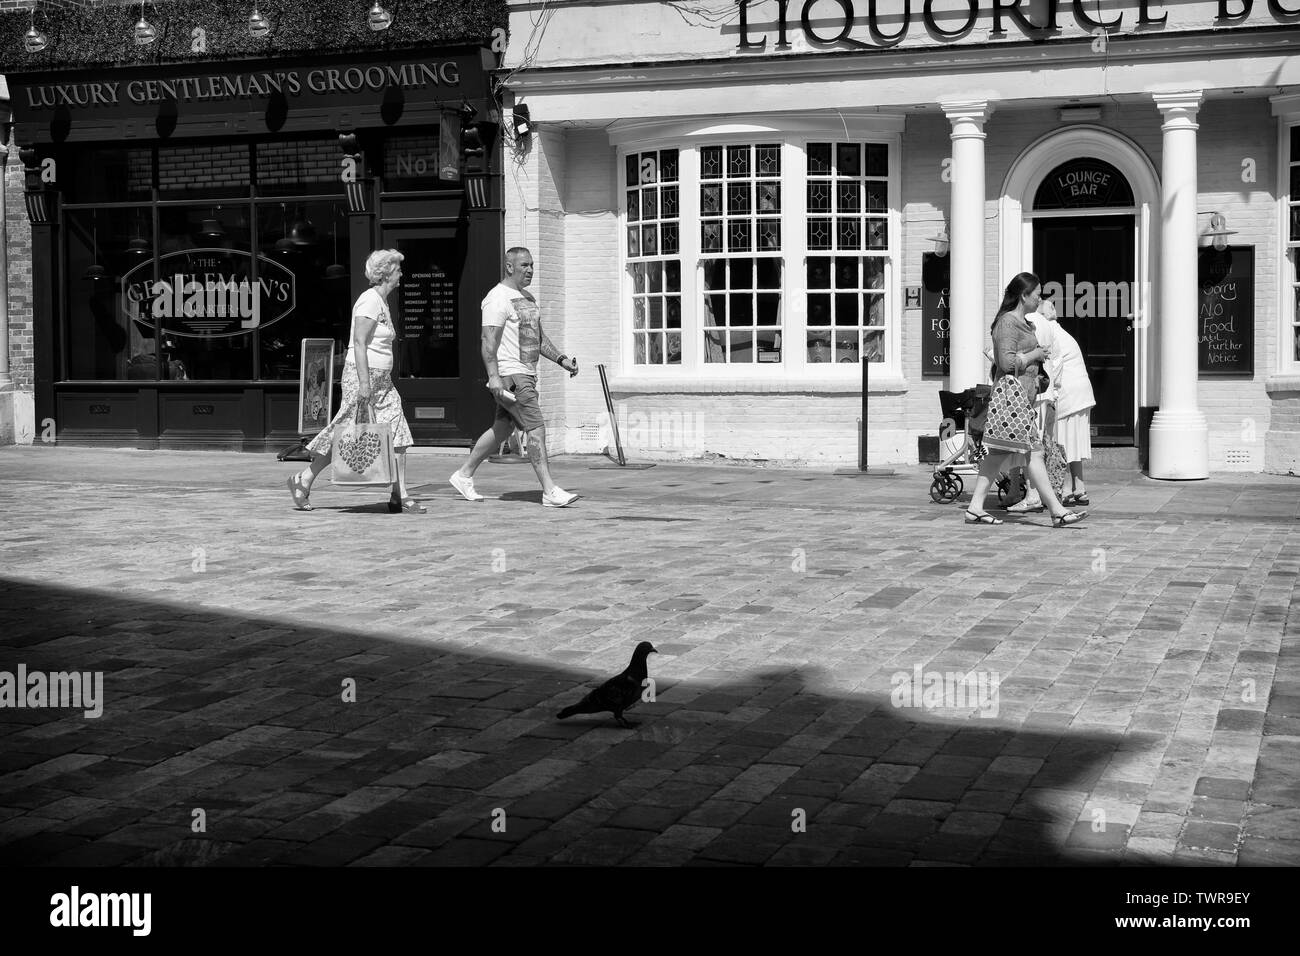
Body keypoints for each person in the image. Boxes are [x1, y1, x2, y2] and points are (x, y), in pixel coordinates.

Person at [286, 249, 424, 514]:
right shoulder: (369, 300)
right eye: (397, 269)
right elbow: (359, 343)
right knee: (346, 436)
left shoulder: (383, 302)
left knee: (398, 434)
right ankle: (303, 480)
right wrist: (364, 384)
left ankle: (399, 494)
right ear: (385, 273)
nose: (401, 274)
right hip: (363, 378)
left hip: (382, 380)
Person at [449, 247, 580, 507]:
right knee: (536, 429)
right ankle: (549, 490)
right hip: (512, 376)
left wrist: (562, 360)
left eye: (531, 265)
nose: (530, 270)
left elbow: (538, 339)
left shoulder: (527, 298)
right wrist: (494, 377)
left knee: (502, 429)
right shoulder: (496, 298)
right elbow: (488, 341)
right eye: (524, 265)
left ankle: (463, 475)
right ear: (509, 267)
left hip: (526, 375)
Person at [963, 272, 1086, 528]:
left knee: (1002, 455)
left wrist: (1038, 373)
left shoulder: (1026, 323)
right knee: (1033, 454)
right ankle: (1057, 510)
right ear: (1023, 295)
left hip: (1022, 401)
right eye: (1037, 294)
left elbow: (1022, 360)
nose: (1040, 298)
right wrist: (1036, 354)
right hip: (1011, 402)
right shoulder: (1007, 323)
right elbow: (1006, 362)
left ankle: (975, 508)